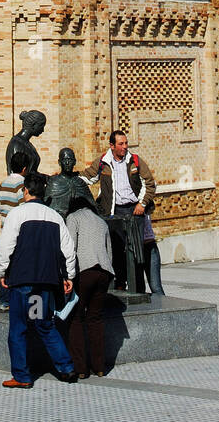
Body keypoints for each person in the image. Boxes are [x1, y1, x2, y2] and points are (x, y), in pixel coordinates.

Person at [0, 171, 77, 388]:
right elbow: (68, 250)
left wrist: (3, 271)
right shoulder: (54, 217)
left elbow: (6, 246)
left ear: (25, 191)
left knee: (18, 328)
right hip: (43, 284)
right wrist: (68, 276)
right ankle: (66, 367)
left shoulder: (17, 214)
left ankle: (22, 376)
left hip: (22, 281)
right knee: (43, 324)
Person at [80, 130, 157, 292]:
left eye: (126, 143)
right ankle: (120, 284)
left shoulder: (135, 161)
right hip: (115, 212)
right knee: (116, 250)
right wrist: (68, 177)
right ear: (112, 146)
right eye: (121, 144)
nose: (124, 147)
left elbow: (149, 183)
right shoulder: (103, 162)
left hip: (134, 211)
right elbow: (88, 177)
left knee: (136, 251)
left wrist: (142, 204)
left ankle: (138, 288)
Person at [64, 195, 114, 378]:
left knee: (76, 318)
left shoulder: (73, 218)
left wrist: (67, 275)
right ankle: (99, 367)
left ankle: (80, 368)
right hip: (103, 272)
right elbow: (109, 251)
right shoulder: (101, 222)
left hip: (84, 271)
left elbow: (70, 247)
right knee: (96, 318)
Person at [0, 150, 29, 311]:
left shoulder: (4, 182)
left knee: (6, 265)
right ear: (24, 168)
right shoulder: (21, 184)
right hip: (19, 231)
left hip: (4, 228)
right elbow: (24, 206)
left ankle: (5, 301)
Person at [45, 147, 100, 218]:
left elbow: (92, 205)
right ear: (59, 162)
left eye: (70, 160)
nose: (67, 163)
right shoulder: (54, 182)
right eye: (64, 160)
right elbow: (47, 206)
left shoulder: (79, 182)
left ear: (74, 162)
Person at [5, 110, 46, 176]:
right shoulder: (16, 144)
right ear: (34, 125)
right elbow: (13, 173)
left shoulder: (28, 144)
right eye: (41, 126)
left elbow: (32, 172)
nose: (43, 130)